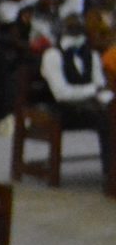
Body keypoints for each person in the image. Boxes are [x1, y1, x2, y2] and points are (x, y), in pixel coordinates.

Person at [38, 14, 113, 187]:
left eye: (79, 29)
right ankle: (110, 172)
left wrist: (104, 97)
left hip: (88, 106)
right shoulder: (53, 55)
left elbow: (100, 84)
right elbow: (61, 93)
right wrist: (92, 91)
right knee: (106, 120)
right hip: (61, 109)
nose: (76, 34)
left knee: (111, 114)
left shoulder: (91, 55)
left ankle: (111, 168)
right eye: (72, 29)